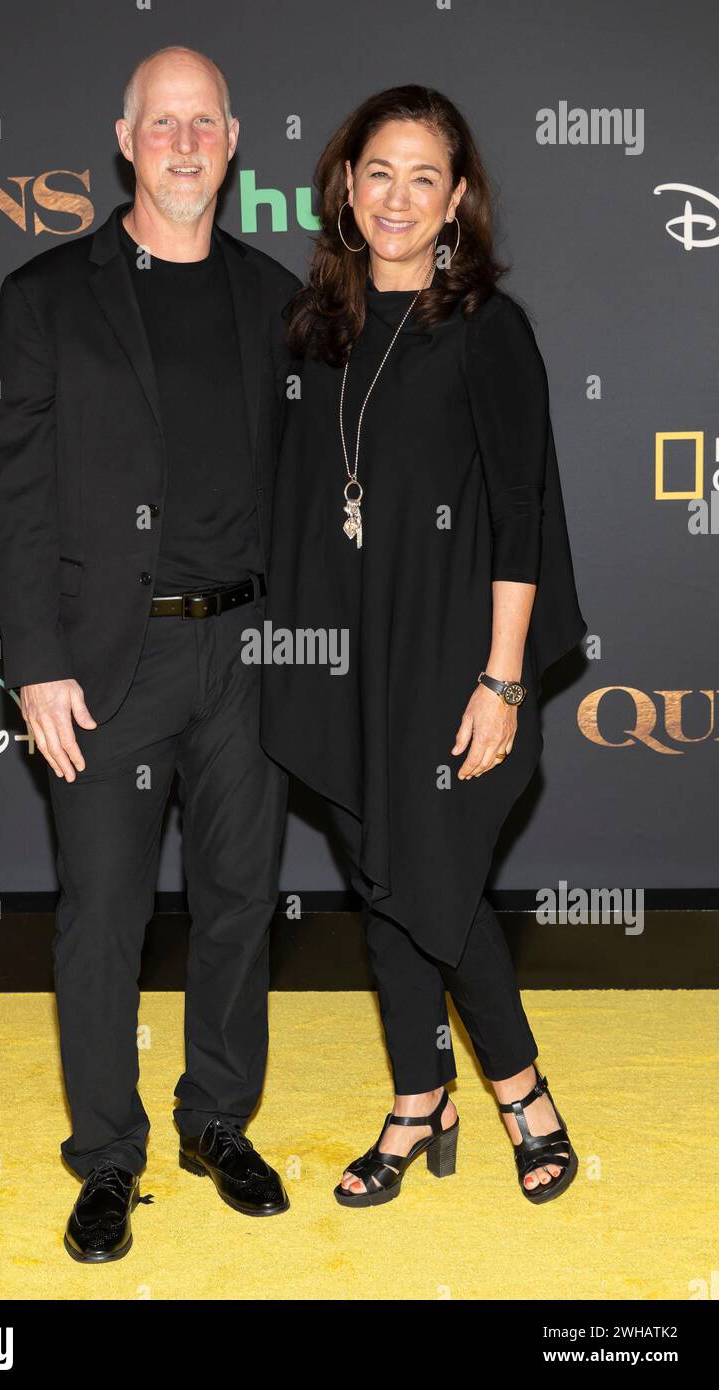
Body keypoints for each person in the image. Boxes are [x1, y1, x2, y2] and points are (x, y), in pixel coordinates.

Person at [0, 46, 301, 1261]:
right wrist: (34, 661)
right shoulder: (45, 295)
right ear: (125, 138)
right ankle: (106, 1155)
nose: (181, 143)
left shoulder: (278, 296)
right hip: (109, 664)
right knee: (105, 916)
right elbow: (12, 500)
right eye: (159, 122)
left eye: (201, 123)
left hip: (248, 655)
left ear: (232, 138)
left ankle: (216, 1119)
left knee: (233, 904)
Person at [260, 84, 588, 1208]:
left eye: (421, 177)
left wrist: (503, 678)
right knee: (381, 874)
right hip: (343, 662)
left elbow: (520, 512)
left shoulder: (487, 331)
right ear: (345, 189)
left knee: (430, 871)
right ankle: (416, 1094)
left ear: (455, 201)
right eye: (376, 173)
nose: (396, 198)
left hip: (455, 662)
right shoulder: (314, 327)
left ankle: (519, 1091)